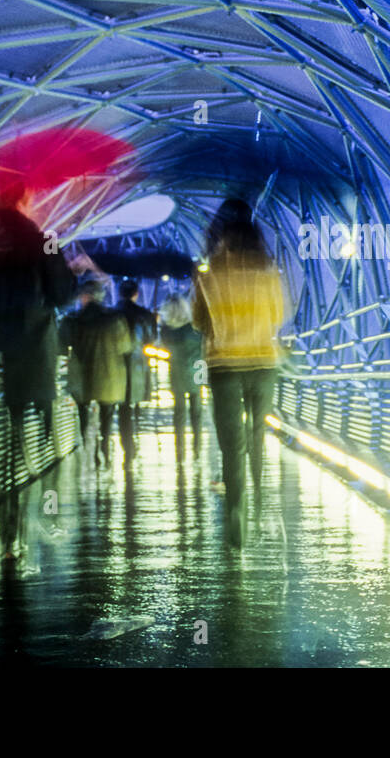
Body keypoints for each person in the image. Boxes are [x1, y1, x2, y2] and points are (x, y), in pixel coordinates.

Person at [0, 183, 74, 561]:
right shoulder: (44, 238)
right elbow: (62, 292)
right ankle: (45, 519)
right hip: (38, 348)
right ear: (23, 201)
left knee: (10, 448)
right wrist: (70, 271)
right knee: (47, 441)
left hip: (7, 352)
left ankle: (10, 533)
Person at [193, 198, 286, 547]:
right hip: (263, 362)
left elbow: (198, 321)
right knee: (257, 435)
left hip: (224, 364)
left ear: (222, 239)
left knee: (232, 445)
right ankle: (260, 502)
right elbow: (278, 315)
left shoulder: (209, 272)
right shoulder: (269, 270)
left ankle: (236, 512)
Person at [60, 278, 133, 468]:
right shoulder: (115, 319)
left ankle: (87, 447)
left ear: (84, 297)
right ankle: (104, 448)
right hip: (109, 377)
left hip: (81, 378)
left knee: (82, 414)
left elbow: (60, 346)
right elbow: (126, 347)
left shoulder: (72, 321)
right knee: (106, 416)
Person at [159, 294, 203, 455]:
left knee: (179, 412)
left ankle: (180, 449)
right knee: (196, 412)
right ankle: (197, 447)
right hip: (197, 370)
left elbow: (164, 345)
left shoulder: (167, 331)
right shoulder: (195, 328)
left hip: (177, 371)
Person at [117, 280, 156, 460]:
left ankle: (127, 447)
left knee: (123, 406)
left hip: (117, 363)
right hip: (139, 363)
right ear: (136, 293)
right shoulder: (145, 315)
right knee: (136, 400)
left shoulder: (112, 313)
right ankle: (136, 436)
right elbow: (152, 339)